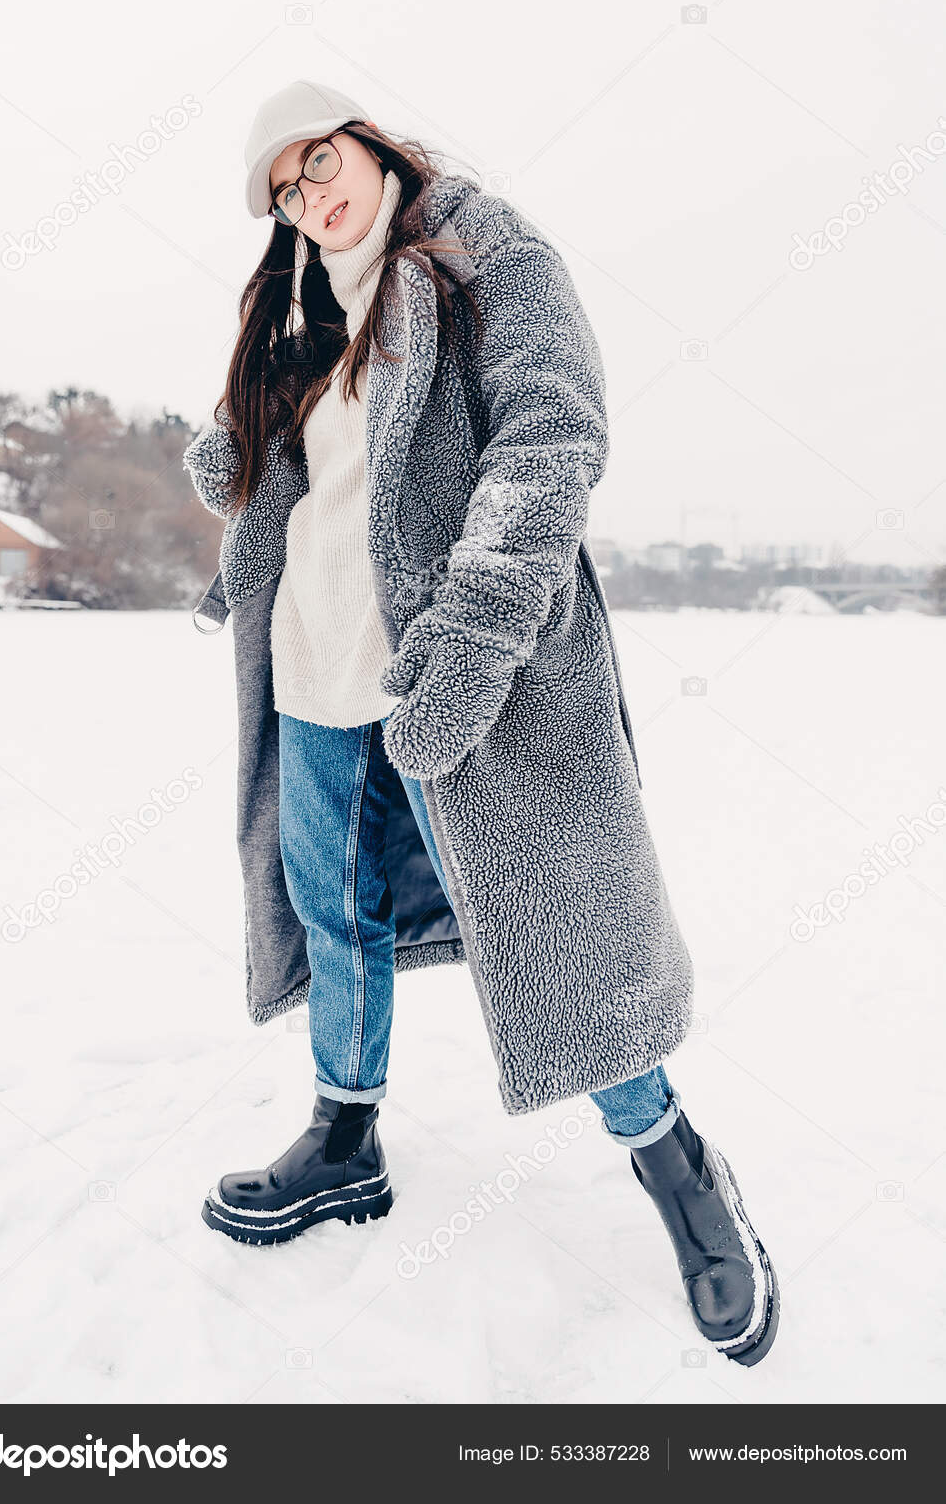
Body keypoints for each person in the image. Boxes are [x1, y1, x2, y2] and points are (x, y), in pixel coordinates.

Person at [183, 79, 779, 1366]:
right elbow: (294, 486)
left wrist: (467, 642)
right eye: (285, 189)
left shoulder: (483, 255)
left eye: (320, 160)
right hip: (313, 667)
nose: (312, 194)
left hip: (472, 673)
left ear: (370, 140)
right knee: (335, 910)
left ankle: (676, 1165)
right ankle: (344, 1138)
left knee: (551, 929)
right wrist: (236, 454)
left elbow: (549, 443)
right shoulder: (305, 305)